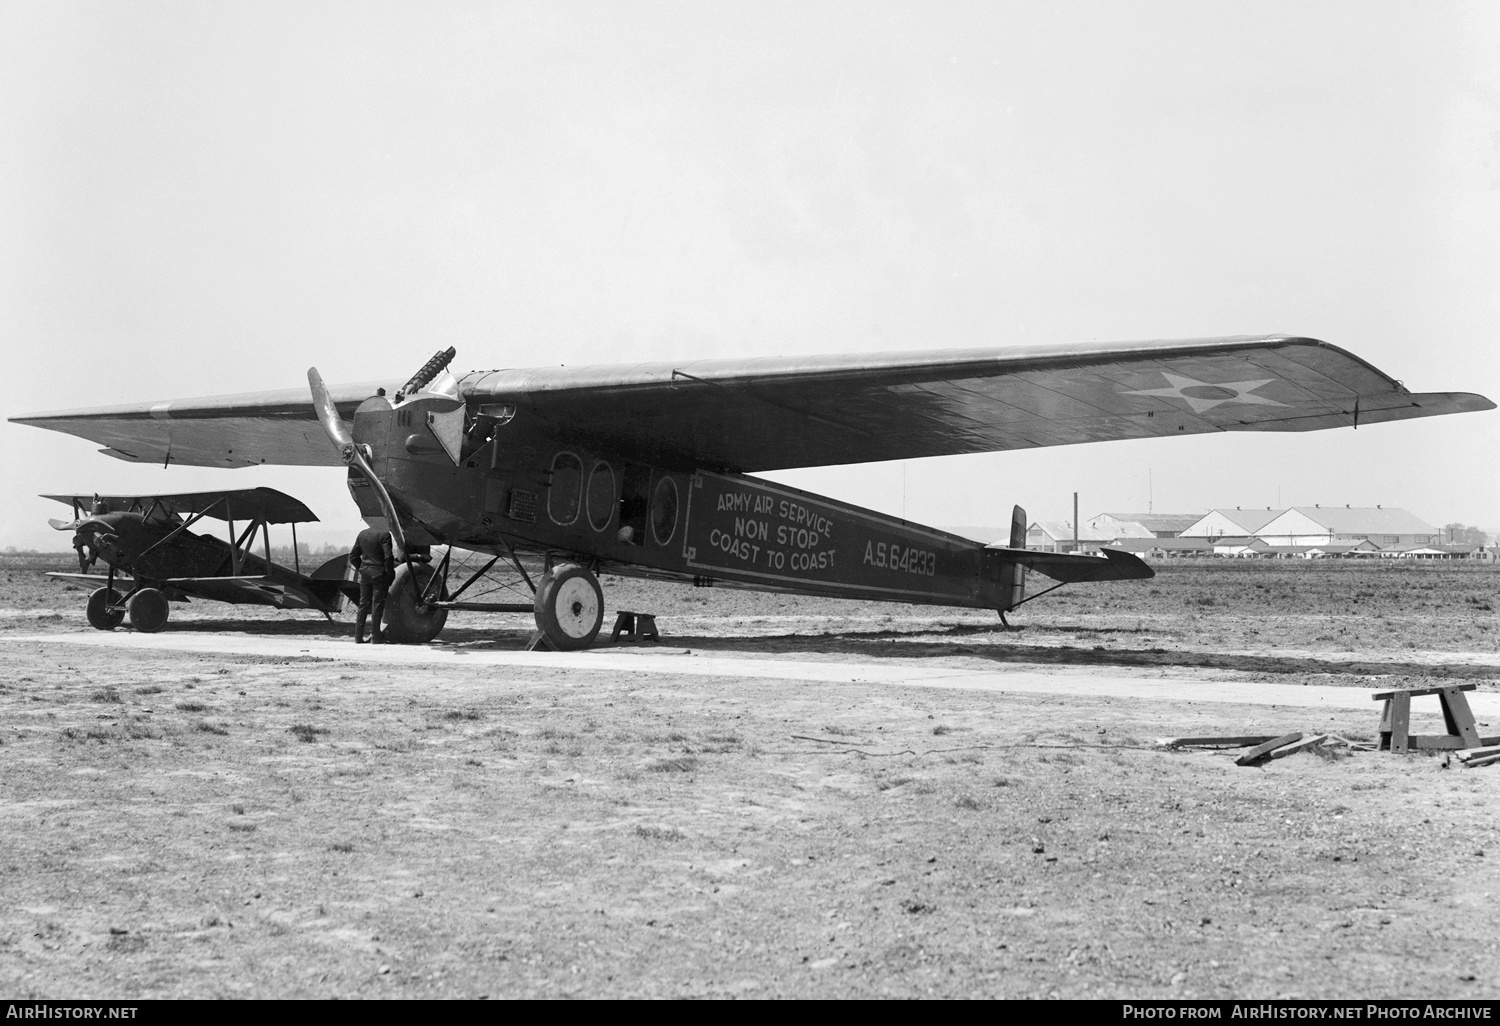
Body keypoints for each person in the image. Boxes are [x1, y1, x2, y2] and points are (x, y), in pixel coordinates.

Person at [349, 525, 395, 644]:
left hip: (365, 574)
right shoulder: (384, 534)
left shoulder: (362, 534)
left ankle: (358, 637)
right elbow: (388, 556)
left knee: (363, 604)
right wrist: (389, 573)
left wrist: (362, 569)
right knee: (377, 604)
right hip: (379, 574)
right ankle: (376, 636)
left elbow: (353, 556)